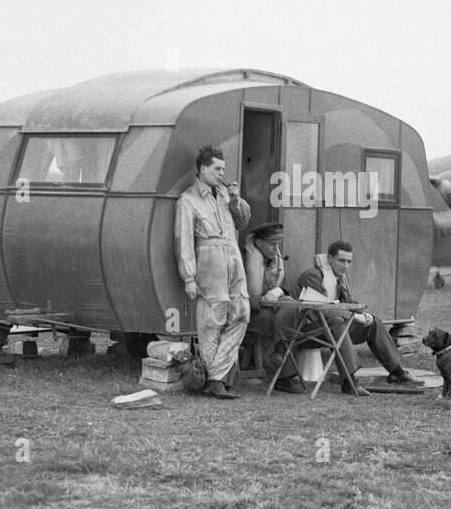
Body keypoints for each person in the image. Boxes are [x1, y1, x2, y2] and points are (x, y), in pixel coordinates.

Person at [174, 145, 251, 399]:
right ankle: (215, 381)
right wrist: (189, 277)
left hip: (233, 258)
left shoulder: (225, 197)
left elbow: (242, 222)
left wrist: (236, 199)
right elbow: (184, 241)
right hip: (209, 259)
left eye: (224, 169)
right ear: (202, 168)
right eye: (217, 169)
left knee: (242, 313)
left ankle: (214, 375)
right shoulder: (188, 200)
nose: (221, 174)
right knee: (211, 321)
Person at [292, 239, 416, 395]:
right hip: (307, 332)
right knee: (337, 322)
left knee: (373, 322)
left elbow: (348, 303)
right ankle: (349, 381)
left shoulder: (340, 277)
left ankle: (397, 372)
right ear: (330, 258)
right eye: (341, 260)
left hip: (331, 329)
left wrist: (363, 314)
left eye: (349, 261)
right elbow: (321, 310)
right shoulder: (313, 276)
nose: (345, 265)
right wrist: (354, 317)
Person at [242, 222, 305, 394]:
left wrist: (278, 290)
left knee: (291, 309)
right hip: (249, 314)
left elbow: (287, 289)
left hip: (272, 312)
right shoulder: (243, 259)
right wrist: (262, 300)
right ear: (259, 243)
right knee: (277, 320)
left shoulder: (276, 261)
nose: (275, 248)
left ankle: (279, 352)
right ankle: (284, 377)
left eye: (277, 244)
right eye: (271, 244)